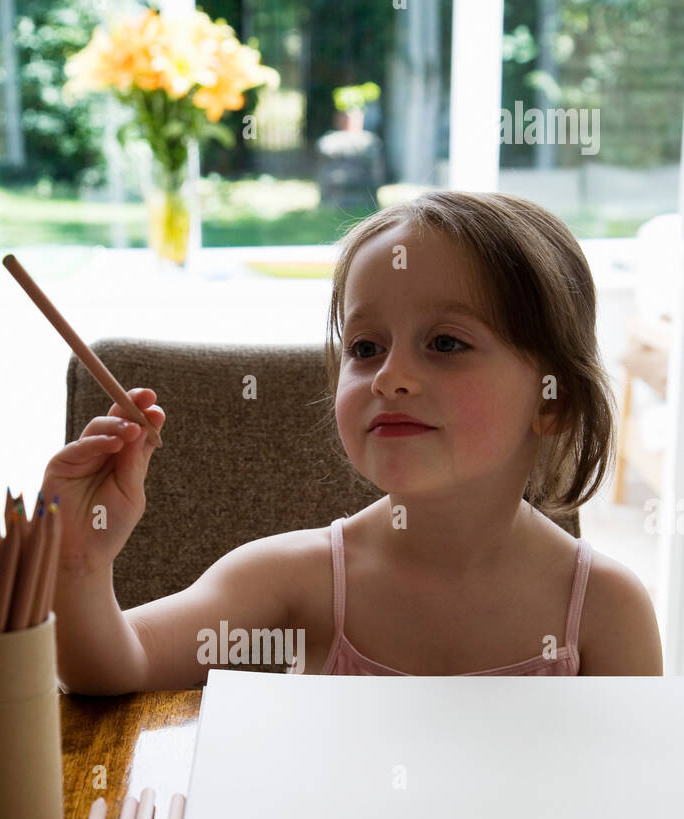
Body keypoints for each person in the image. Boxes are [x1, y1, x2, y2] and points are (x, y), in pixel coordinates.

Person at [43, 191, 663, 692]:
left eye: (446, 343)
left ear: (554, 400)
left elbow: (638, 815)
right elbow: (113, 669)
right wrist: (79, 561)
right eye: (365, 348)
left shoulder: (607, 613)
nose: (390, 376)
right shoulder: (292, 581)